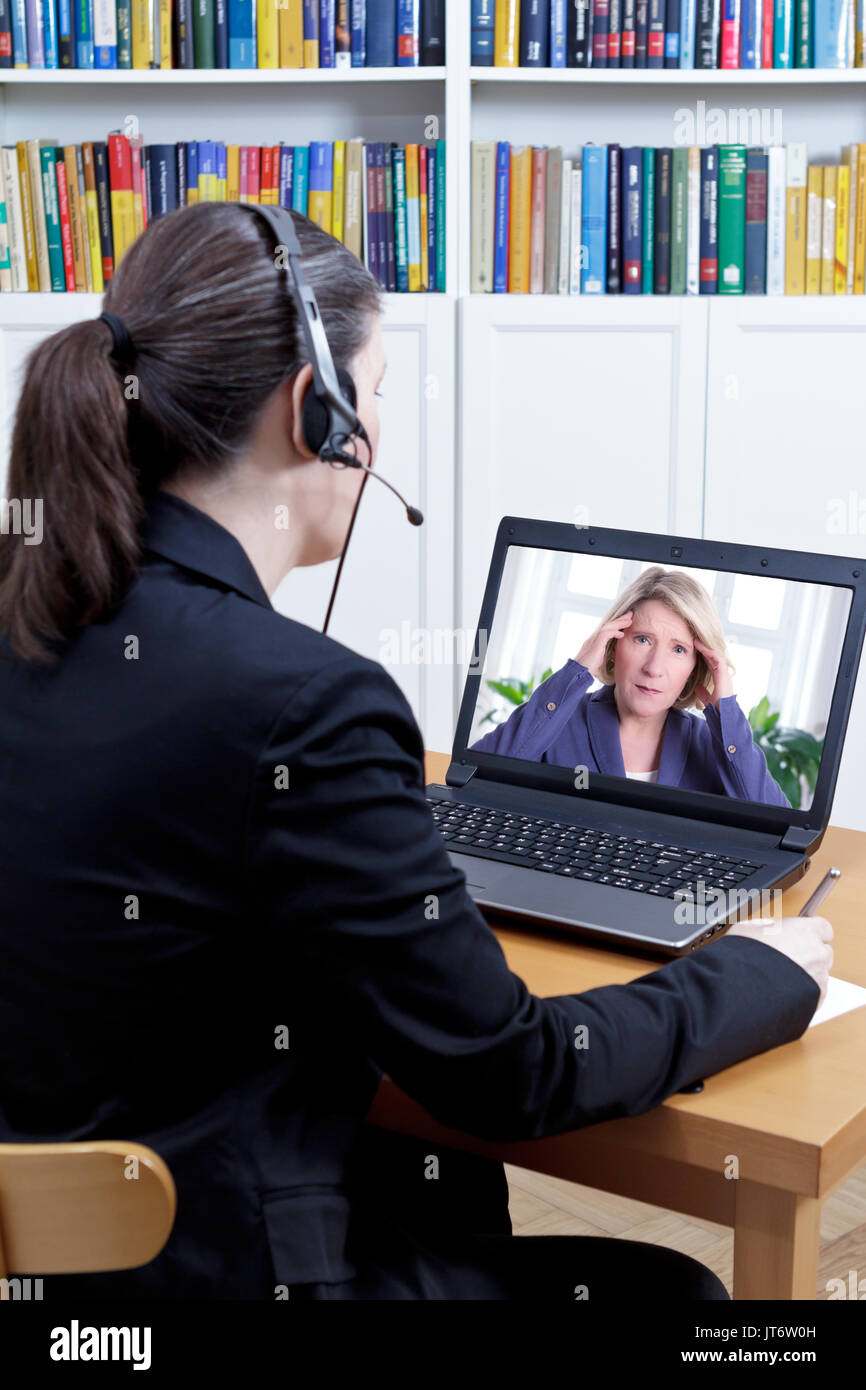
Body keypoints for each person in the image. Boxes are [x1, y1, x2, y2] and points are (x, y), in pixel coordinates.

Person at [0, 203, 832, 1301]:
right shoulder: (308, 704)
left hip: (59, 1275)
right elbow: (512, 1074)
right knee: (676, 1296)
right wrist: (751, 976)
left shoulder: (34, 616)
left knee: (442, 1186)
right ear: (319, 410)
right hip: (214, 1270)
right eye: (377, 386)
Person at [472, 567, 791, 808]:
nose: (654, 668)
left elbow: (776, 824)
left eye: (678, 649)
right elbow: (474, 776)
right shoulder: (560, 722)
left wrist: (727, 714)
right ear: (612, 645)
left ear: (698, 666)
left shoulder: (713, 745)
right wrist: (577, 670)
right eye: (642, 639)